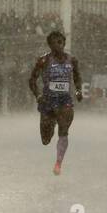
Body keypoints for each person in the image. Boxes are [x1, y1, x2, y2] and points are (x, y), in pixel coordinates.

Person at [29, 30, 82, 175]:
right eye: (53, 43)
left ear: (64, 43)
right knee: (45, 139)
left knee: (64, 130)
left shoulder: (72, 60)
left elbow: (77, 77)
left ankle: (58, 163)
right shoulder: (43, 60)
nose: (57, 45)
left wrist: (78, 90)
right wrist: (38, 95)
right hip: (47, 100)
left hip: (65, 100)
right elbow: (32, 80)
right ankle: (51, 122)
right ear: (49, 45)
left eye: (60, 42)